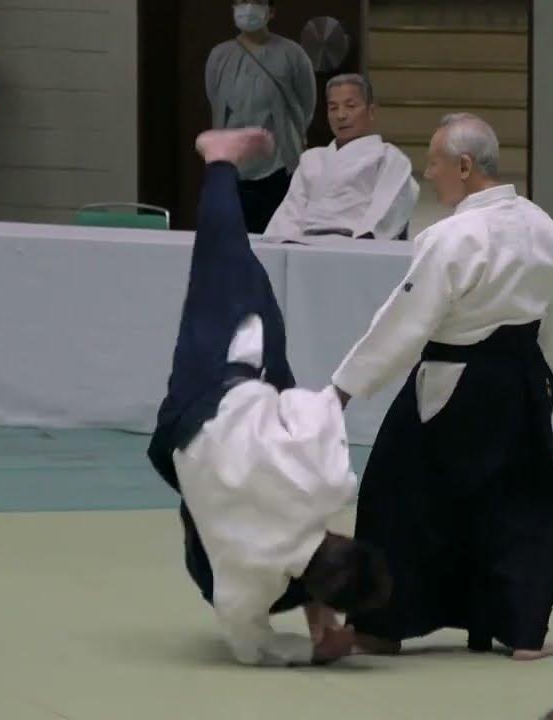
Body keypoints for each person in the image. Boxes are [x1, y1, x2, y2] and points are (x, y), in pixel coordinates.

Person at [147, 128, 391, 667]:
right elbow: (246, 643)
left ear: (345, 537)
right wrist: (298, 654)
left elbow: (318, 405)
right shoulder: (249, 582)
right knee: (234, 551)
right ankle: (320, 618)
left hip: (218, 388)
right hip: (183, 454)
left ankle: (218, 160)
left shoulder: (329, 485)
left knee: (225, 260)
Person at [331, 113, 553, 661]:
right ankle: (521, 631)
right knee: (518, 505)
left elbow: (407, 321)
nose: (428, 172)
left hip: (453, 382)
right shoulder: (543, 226)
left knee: (395, 497)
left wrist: (343, 390)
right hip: (521, 381)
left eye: (435, 162)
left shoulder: (451, 236)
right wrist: (545, 384)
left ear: (465, 166)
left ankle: (379, 625)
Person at [205, 1, 316, 233]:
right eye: (241, 2)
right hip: (233, 169)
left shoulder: (292, 54)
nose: (247, 9)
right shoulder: (219, 56)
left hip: (279, 167)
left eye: (255, 2)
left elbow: (306, 105)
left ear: (271, 11)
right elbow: (214, 99)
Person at [264, 74, 418, 241]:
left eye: (350, 106)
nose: (341, 115)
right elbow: (291, 211)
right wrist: (280, 244)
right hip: (305, 244)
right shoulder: (312, 158)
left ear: (371, 111)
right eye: (333, 108)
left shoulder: (388, 156)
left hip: (356, 245)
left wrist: (364, 240)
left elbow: (388, 207)